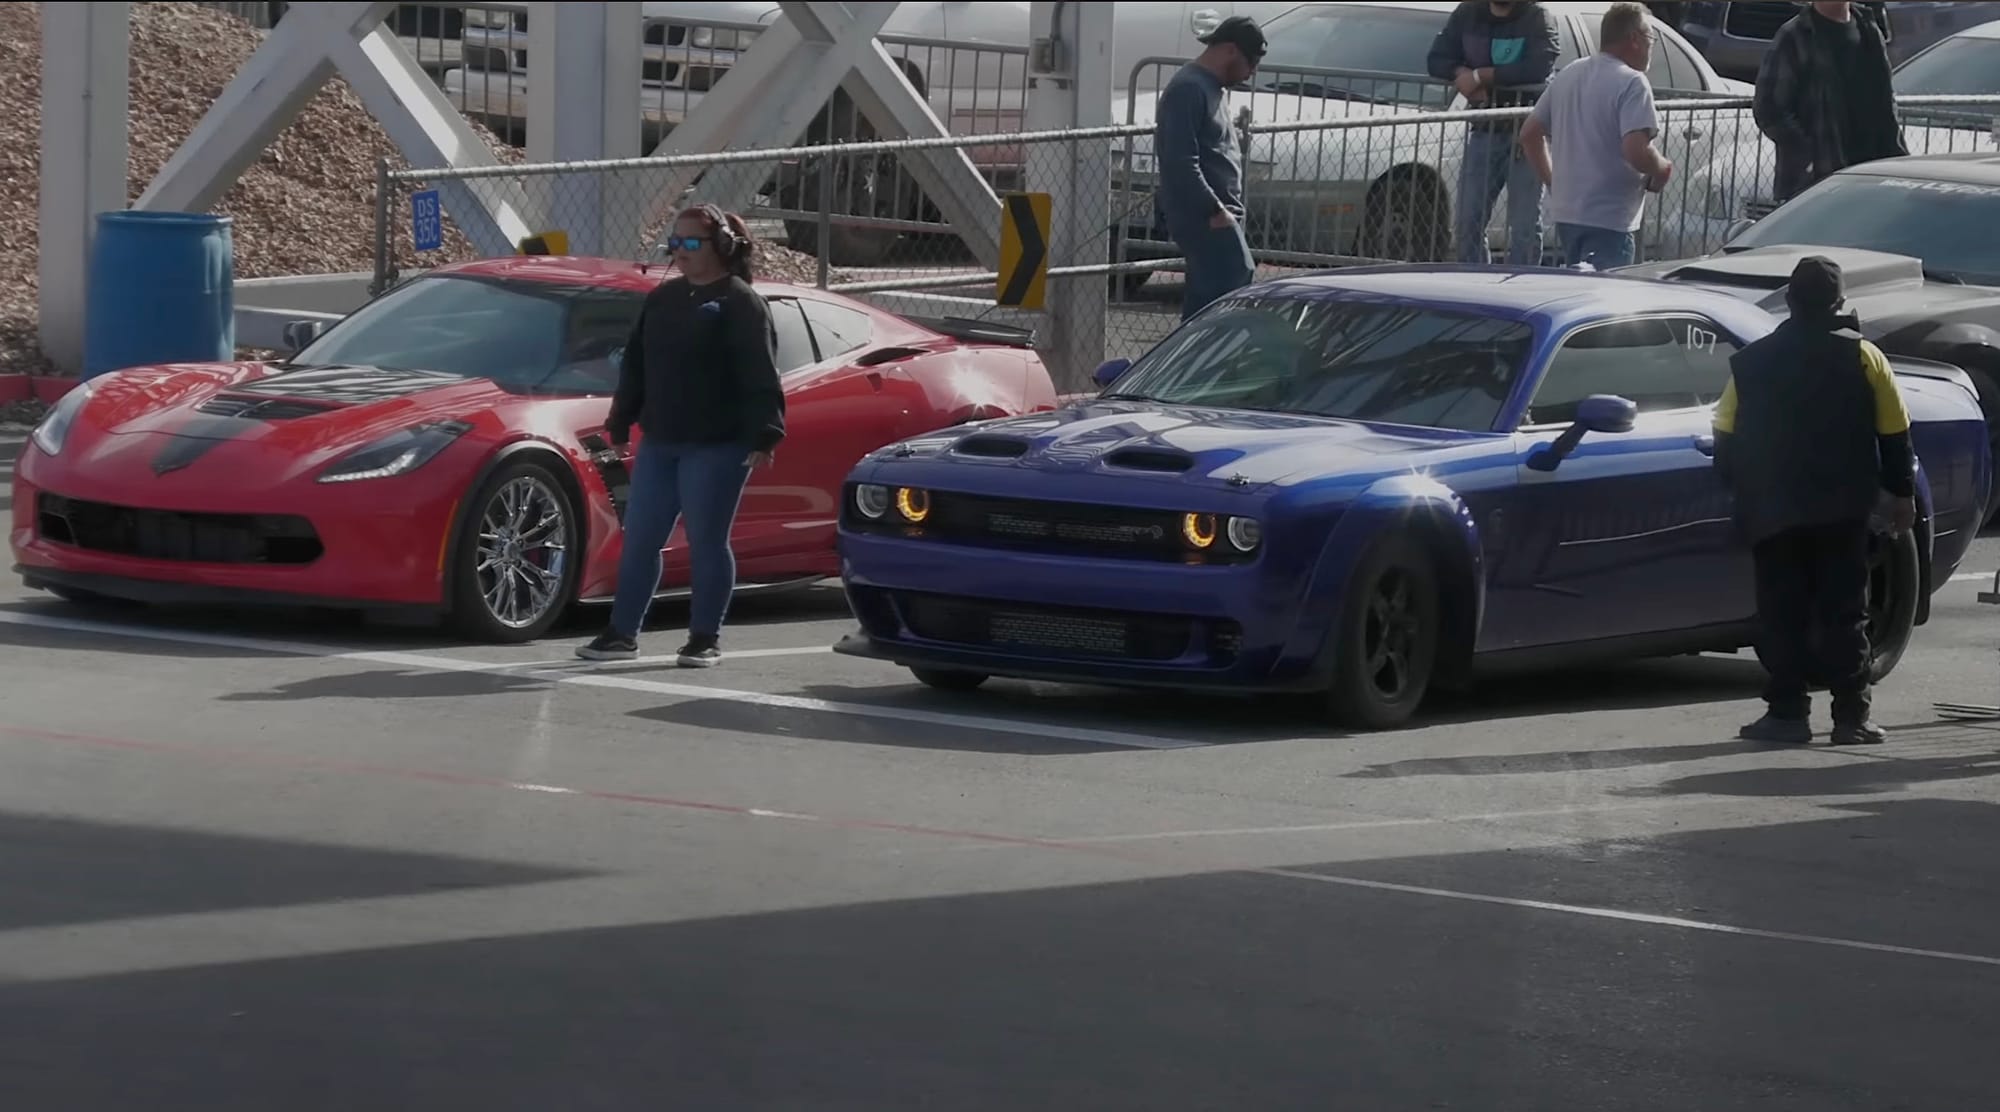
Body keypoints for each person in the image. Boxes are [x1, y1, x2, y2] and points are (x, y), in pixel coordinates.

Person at [1711, 255, 1916, 747]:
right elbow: (1895, 433)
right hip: (1843, 509)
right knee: (1846, 612)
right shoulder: (1864, 356)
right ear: (1840, 303)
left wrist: (1743, 488)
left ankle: (1786, 714)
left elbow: (1724, 433)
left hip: (1773, 509)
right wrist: (1901, 495)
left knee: (1781, 613)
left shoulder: (1752, 361)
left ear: (1788, 301)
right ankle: (1851, 718)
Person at [575, 205, 785, 667]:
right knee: (642, 537)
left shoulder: (741, 303)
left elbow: (759, 374)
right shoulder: (664, 299)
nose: (680, 251)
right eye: (675, 242)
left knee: (708, 539)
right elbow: (637, 363)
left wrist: (765, 435)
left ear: (723, 247)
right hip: (662, 439)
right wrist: (620, 420)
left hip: (718, 444)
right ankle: (621, 633)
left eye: (692, 243)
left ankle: (703, 638)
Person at [1519, 2, 1673, 270]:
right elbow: (1636, 151)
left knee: (1578, 294)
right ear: (1634, 39)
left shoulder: (1570, 73)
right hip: (1609, 217)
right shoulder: (1632, 82)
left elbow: (1529, 134)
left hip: (1568, 212)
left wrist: (1554, 182)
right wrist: (1662, 167)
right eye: (1650, 38)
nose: (1652, 47)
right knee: (1607, 300)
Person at [1426, 1, 1561, 265]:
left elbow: (1538, 66)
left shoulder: (1537, 16)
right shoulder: (1468, 12)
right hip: (1484, 130)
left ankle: (1522, 288)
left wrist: (1479, 76)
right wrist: (1459, 72)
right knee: (1468, 221)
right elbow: (1436, 59)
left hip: (1527, 133)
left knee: (1524, 225)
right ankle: (1476, 288)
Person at [1155, 15, 1265, 321]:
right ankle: (1194, 366)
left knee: (1219, 304)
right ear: (1231, 50)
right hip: (1207, 218)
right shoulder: (1189, 89)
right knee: (1220, 304)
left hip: (1217, 216)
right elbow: (1180, 160)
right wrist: (1214, 209)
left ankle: (1199, 365)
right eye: (1251, 61)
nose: (1252, 71)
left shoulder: (1210, 87)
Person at [1753, 1, 1907, 203]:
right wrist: (1807, 153)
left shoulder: (1868, 29)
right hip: (1816, 185)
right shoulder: (1795, 36)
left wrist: (1898, 159)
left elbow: (1886, 103)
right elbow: (1769, 109)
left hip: (1871, 178)